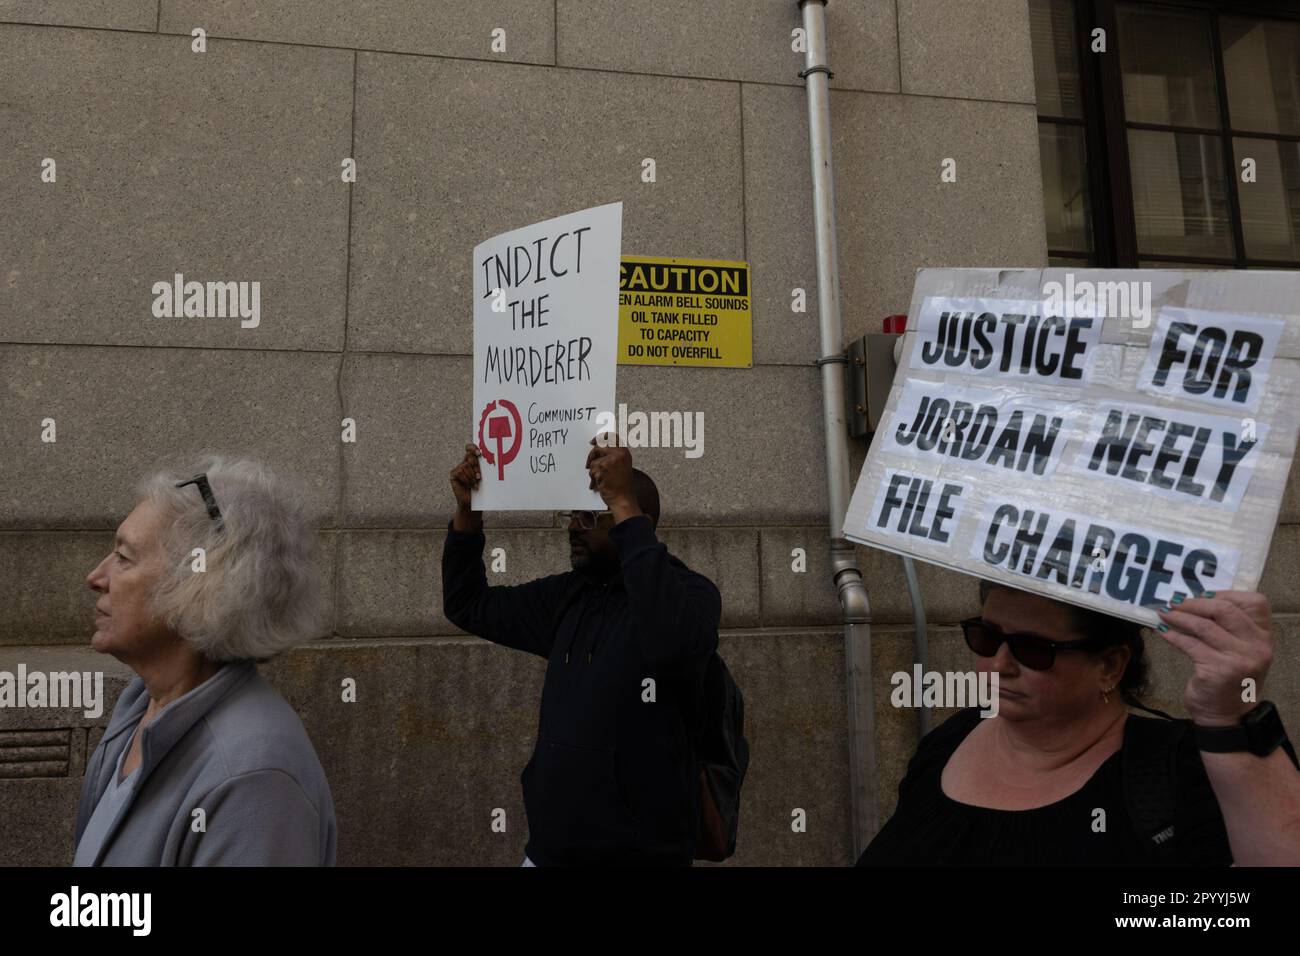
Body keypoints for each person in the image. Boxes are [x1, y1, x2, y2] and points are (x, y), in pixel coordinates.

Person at [858, 579, 1300, 865]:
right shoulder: (953, 738)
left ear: (1110, 666)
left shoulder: (1180, 770)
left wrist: (1228, 716)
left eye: (1033, 649)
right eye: (986, 636)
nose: (1000, 663)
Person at [443, 436, 721, 865]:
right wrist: (468, 512)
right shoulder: (568, 596)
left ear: (637, 521)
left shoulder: (691, 595)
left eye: (591, 516)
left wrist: (622, 498)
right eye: (573, 514)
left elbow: (671, 647)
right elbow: (468, 605)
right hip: (549, 852)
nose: (575, 526)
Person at [76, 456, 336, 866]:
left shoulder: (254, 778)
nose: (96, 576)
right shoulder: (140, 709)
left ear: (201, 586)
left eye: (124, 558)